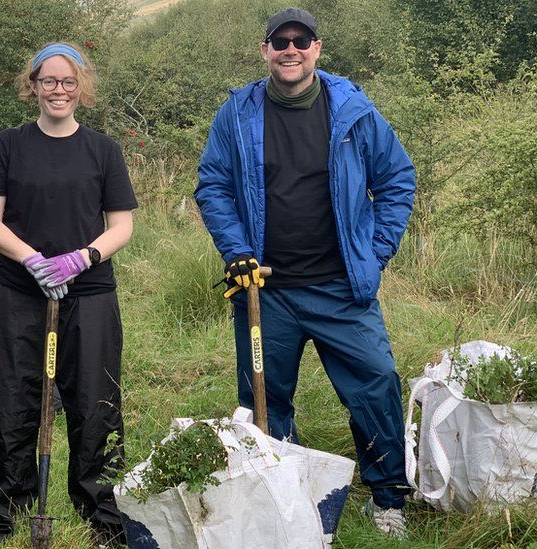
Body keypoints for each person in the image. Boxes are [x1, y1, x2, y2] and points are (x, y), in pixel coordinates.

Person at [194, 8, 415, 538]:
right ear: (265, 50)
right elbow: (213, 185)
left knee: (376, 384)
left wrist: (374, 253)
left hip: (342, 288)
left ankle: (388, 500)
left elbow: (397, 180)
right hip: (264, 290)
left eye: (301, 40)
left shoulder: (354, 111)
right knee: (264, 400)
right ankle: (280, 499)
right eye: (280, 41)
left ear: (317, 48)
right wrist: (236, 250)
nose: (290, 49)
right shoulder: (237, 113)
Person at [0, 42, 137, 547]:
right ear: (34, 86)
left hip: (90, 293)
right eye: (48, 80)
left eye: (68, 81)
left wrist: (84, 257)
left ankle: (100, 511)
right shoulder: (8, 145)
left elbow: (122, 225)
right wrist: (31, 259)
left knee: (95, 402)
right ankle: (6, 505)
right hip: (18, 293)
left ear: (81, 88)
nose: (58, 89)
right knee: (12, 398)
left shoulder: (104, 150)